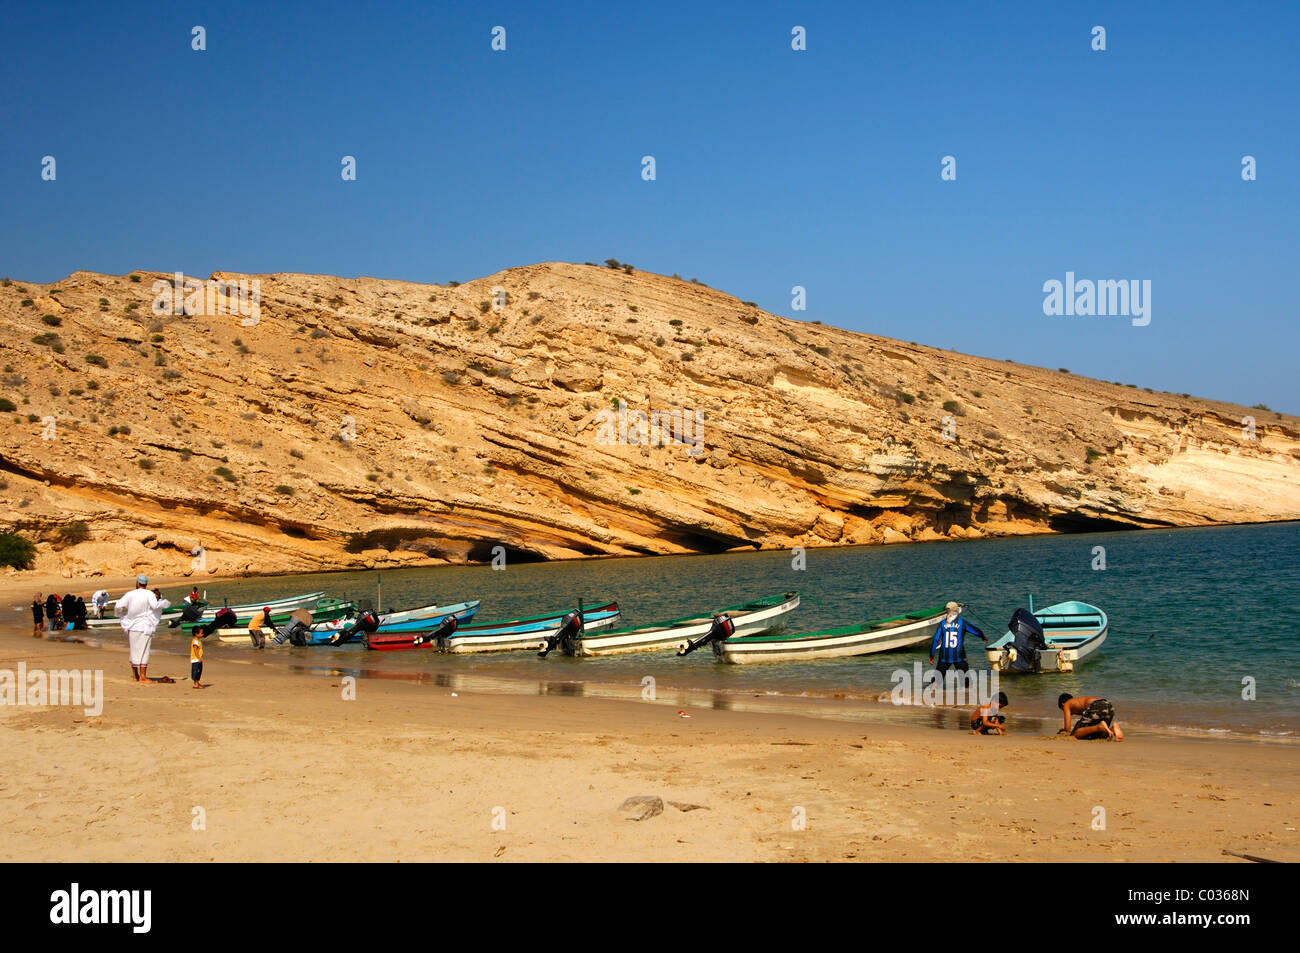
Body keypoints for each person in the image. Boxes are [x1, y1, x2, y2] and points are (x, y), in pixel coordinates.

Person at [114, 574, 170, 683]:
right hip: (145, 625)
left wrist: (120, 615)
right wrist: (163, 604)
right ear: (146, 584)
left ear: (137, 583)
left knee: (134, 650)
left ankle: (135, 676)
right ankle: (143, 677)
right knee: (144, 651)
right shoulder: (149, 594)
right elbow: (155, 606)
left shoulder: (130, 594)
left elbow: (118, 606)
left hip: (132, 626)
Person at [929, 602, 986, 677]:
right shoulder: (962, 623)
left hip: (944, 657)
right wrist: (983, 636)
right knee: (966, 681)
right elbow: (975, 631)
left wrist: (931, 655)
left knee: (936, 681)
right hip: (959, 656)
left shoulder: (942, 623)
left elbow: (936, 639)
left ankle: (932, 687)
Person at [1058, 693, 1124, 741]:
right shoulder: (1078, 701)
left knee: (1075, 734)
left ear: (1062, 704)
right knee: (1099, 735)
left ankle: (1099, 727)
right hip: (1108, 705)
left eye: (1062, 710)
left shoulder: (1067, 704)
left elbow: (1067, 729)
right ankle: (1112, 729)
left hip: (1095, 705)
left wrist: (1062, 731)